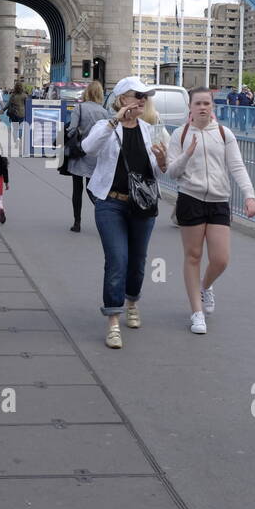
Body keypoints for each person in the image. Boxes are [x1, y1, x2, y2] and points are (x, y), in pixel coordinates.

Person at [80, 76, 168, 349]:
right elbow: (88, 148)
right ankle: (113, 320)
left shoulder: (152, 129)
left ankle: (132, 301)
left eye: (145, 96)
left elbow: (161, 169)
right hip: (110, 203)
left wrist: (164, 160)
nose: (142, 100)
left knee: (137, 262)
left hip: (142, 204)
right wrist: (115, 120)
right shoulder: (104, 126)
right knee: (117, 259)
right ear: (121, 99)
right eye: (136, 95)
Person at [167, 88, 255, 334]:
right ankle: (197, 313)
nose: (203, 107)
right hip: (190, 198)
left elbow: (236, 166)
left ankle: (205, 287)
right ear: (190, 107)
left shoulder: (223, 133)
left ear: (213, 107)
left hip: (219, 200)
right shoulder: (180, 134)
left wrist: (249, 196)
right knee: (193, 256)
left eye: (207, 103)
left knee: (220, 259)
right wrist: (187, 154)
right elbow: (172, 172)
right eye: (198, 103)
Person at [65, 81, 108, 232]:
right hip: (95, 155)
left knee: (77, 189)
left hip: (79, 153)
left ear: (87, 92)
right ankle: (106, 217)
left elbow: (71, 130)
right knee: (93, 189)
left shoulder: (80, 108)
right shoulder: (104, 112)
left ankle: (77, 223)